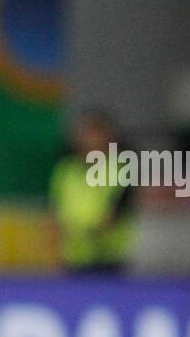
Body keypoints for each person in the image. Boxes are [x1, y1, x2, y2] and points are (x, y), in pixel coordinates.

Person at [48, 109, 135, 273]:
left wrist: (86, 234)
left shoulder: (122, 168)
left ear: (110, 137)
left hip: (110, 260)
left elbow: (117, 211)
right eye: (87, 133)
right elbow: (55, 214)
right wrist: (55, 256)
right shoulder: (65, 170)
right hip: (73, 260)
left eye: (97, 133)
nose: (92, 140)